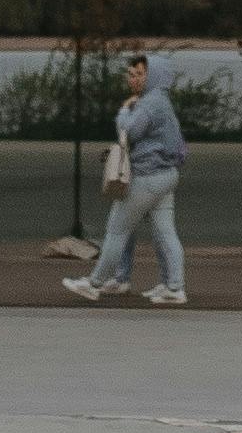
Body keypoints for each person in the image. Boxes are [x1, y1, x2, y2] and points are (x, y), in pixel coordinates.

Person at [70, 49, 190, 309]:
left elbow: (128, 131)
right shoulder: (162, 101)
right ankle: (174, 288)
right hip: (166, 176)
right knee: (166, 233)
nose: (133, 79)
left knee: (116, 231)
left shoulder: (149, 103)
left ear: (152, 75)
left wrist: (124, 110)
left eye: (139, 74)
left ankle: (94, 284)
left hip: (146, 178)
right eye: (130, 74)